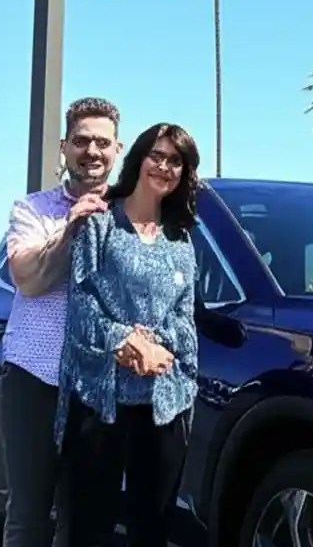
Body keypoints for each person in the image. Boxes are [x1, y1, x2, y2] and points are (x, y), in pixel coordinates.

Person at [54, 122, 220, 547]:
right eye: (157, 156)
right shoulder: (101, 224)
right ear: (139, 158)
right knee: (89, 529)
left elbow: (186, 318)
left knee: (153, 528)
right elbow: (82, 304)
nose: (164, 167)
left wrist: (156, 345)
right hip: (100, 398)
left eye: (176, 161)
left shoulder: (181, 240)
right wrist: (125, 341)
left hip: (164, 404)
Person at [1, 96, 124, 547]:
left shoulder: (131, 214)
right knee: (29, 517)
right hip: (36, 377)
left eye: (102, 143)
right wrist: (71, 228)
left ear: (118, 150)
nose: (92, 151)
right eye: (82, 141)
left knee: (88, 521)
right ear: (64, 147)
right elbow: (29, 279)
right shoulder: (32, 210)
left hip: (99, 383)